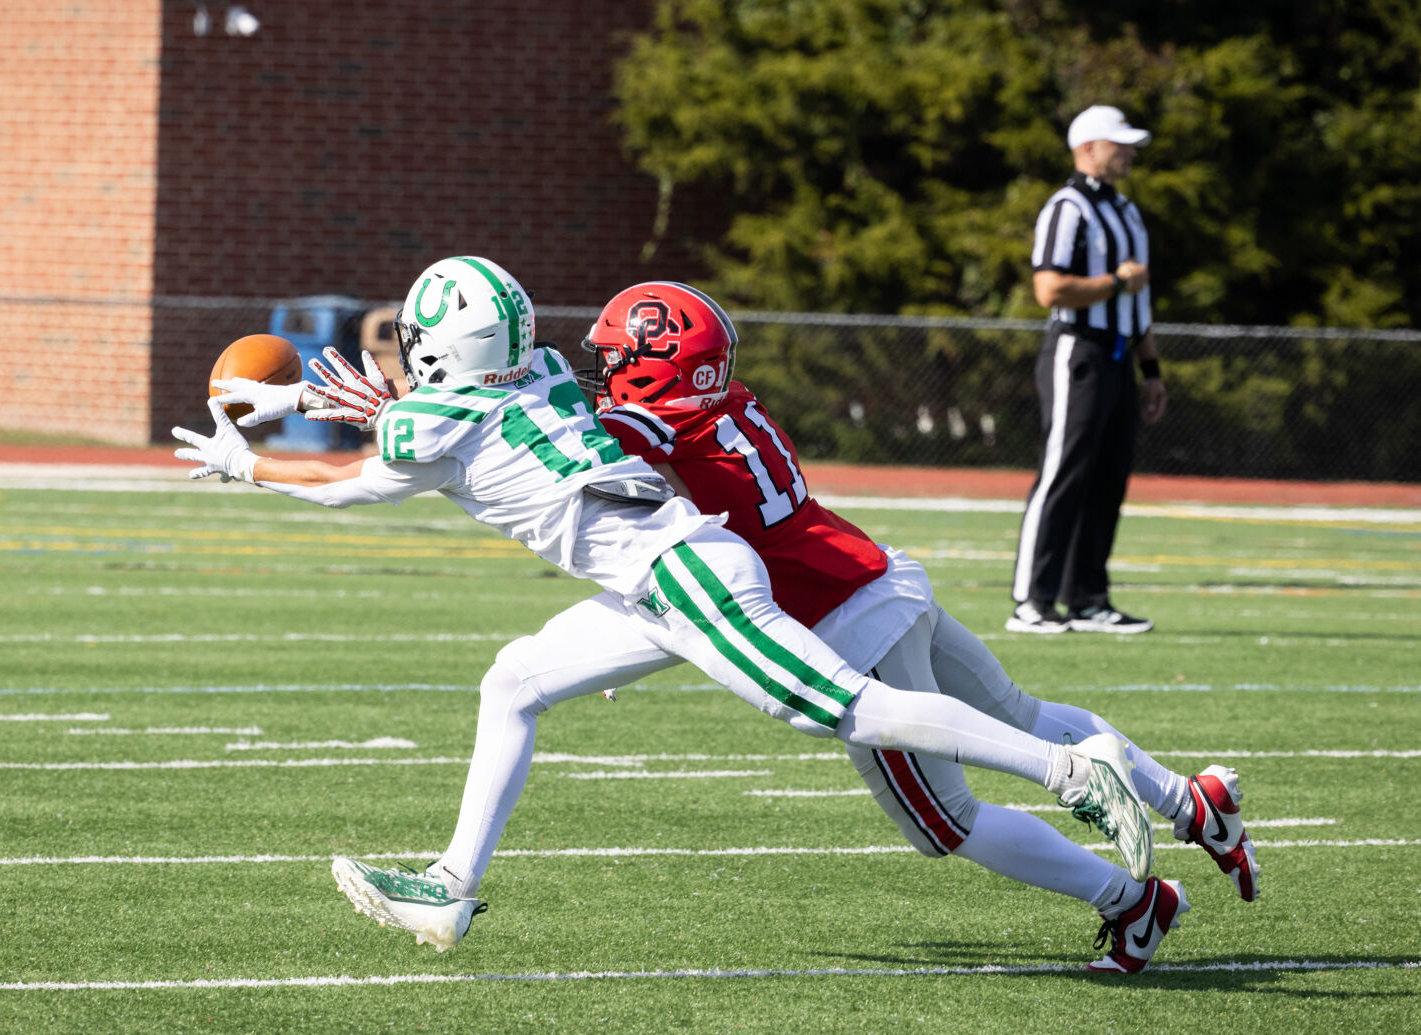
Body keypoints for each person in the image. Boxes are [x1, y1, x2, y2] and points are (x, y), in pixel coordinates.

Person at [173, 255, 1158, 963]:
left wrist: (244, 463)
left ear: (443, 350)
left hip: (684, 574)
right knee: (513, 679)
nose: (409, 352)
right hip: (648, 582)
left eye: (419, 340)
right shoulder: (542, 375)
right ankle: (449, 890)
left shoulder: (440, 418)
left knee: (846, 708)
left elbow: (355, 481)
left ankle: (1061, 766)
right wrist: (318, 394)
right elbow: (416, 415)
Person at [1010, 104, 1169, 636]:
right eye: (1117, 143)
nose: (1127, 153)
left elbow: (1138, 305)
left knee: (1108, 478)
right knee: (1063, 472)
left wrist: (1152, 370)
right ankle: (1031, 600)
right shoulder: (1067, 207)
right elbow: (1048, 289)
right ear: (1087, 148)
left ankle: (1088, 598)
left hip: (1121, 354)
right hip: (1077, 351)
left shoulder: (1126, 212)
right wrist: (1116, 284)